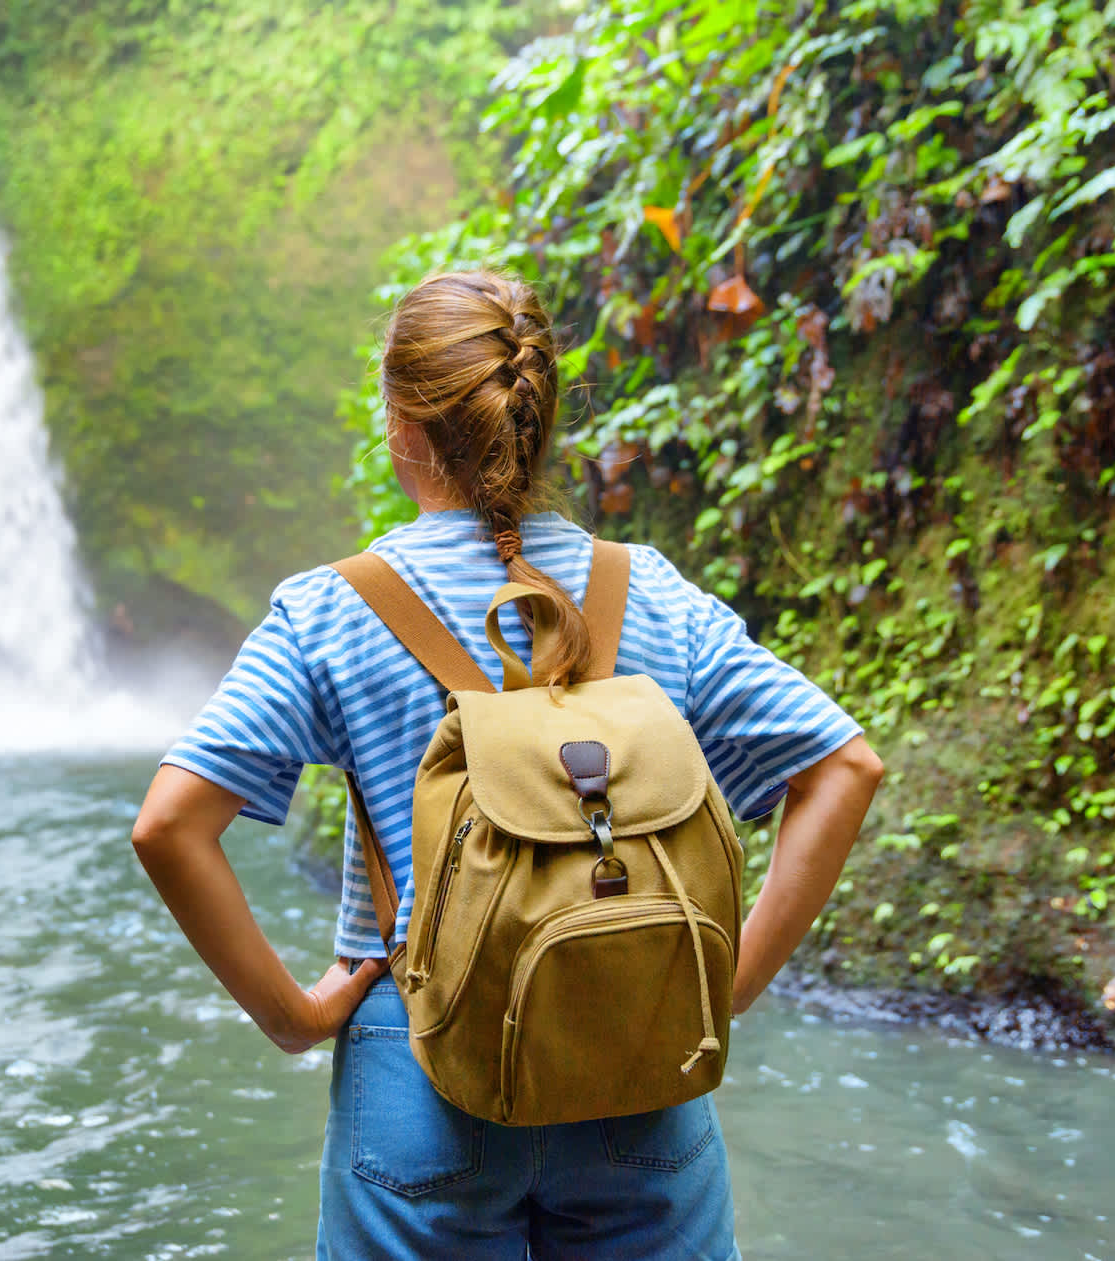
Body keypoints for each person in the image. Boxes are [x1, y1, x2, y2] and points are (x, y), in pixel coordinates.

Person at [132, 268, 884, 1258]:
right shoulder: (649, 592)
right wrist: (729, 983)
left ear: (401, 422)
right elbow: (845, 766)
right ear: (539, 415)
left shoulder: (331, 611)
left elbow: (169, 825)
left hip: (418, 1064)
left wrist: (293, 1015)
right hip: (642, 1052)